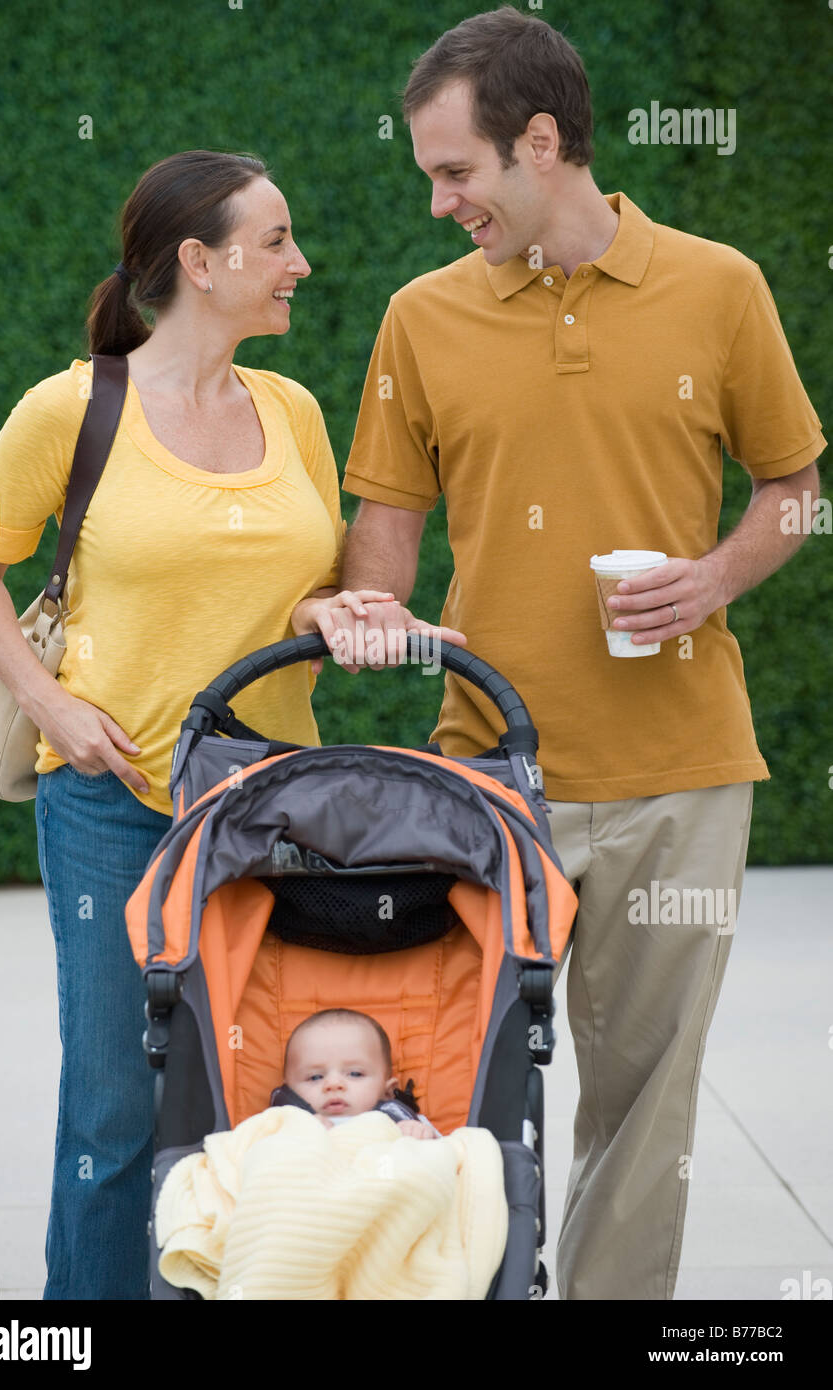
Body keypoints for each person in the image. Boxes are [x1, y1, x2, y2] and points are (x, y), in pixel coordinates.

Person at [327, 10, 826, 1299]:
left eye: (456, 171)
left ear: (539, 142)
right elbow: (383, 540)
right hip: (488, 772)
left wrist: (712, 576)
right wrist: (365, 615)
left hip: (681, 772)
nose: (438, 203)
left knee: (644, 1103)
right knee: (456, 1085)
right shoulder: (419, 318)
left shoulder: (718, 287)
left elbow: (793, 490)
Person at [0, 149, 456, 1299]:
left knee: (251, 1088)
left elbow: (309, 590)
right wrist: (49, 700)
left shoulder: (291, 409)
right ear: (198, 261)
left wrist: (343, 614)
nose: (299, 264)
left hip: (268, 803)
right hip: (113, 804)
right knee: (115, 1102)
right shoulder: (71, 409)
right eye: (274, 242)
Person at [270, 1008, 440, 1137]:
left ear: (388, 1091)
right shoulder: (278, 1125)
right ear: (288, 1092)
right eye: (315, 1077)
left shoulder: (406, 1124)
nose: (333, 1084)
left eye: (355, 1074)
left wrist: (420, 1137)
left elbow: (446, 1158)